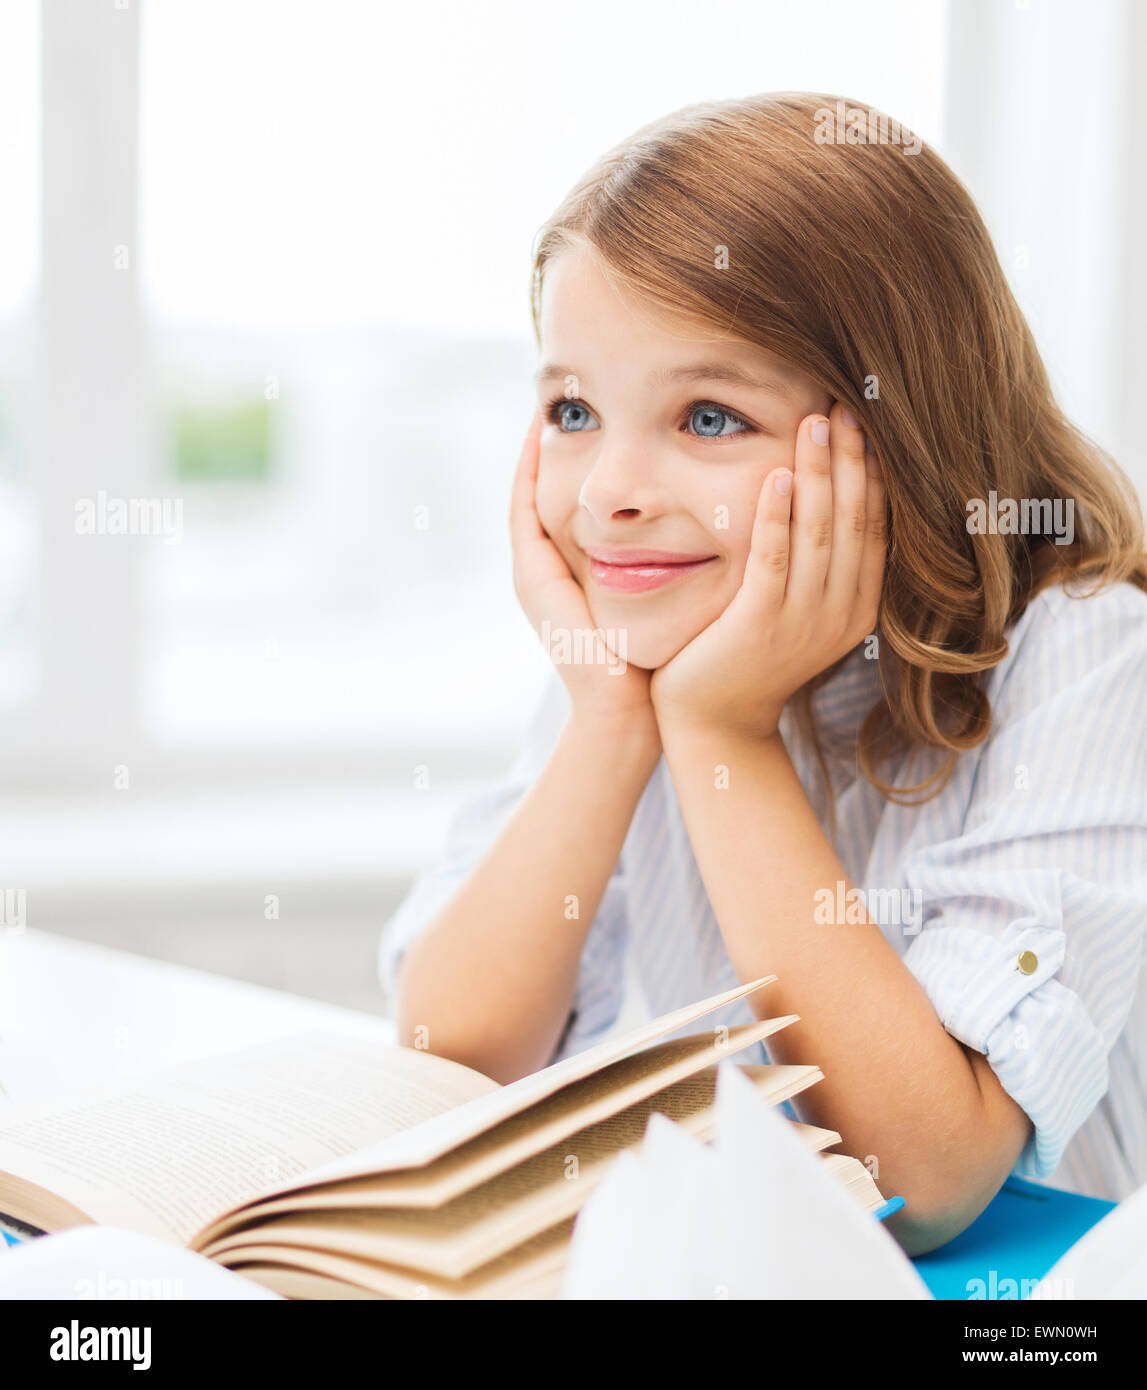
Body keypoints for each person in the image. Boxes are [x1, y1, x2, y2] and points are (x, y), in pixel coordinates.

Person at [380, 92, 1147, 1254]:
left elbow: (923, 1178)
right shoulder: (641, 658)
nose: (607, 495)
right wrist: (610, 719)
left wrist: (726, 739)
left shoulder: (1086, 656)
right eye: (574, 408)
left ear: (894, 438)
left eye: (707, 416)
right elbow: (448, 1061)